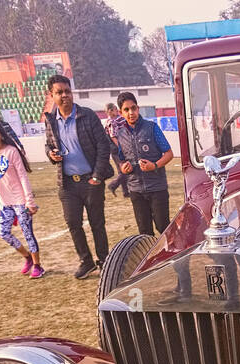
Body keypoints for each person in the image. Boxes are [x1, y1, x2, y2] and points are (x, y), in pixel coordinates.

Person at [43, 73, 113, 279]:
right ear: (51, 95)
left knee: (97, 223)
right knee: (73, 223)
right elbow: (48, 144)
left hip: (90, 180)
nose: (65, 95)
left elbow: (103, 145)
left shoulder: (87, 115)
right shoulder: (51, 120)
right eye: (59, 92)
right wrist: (50, 154)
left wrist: (97, 176)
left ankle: (104, 260)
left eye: (67, 91)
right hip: (67, 184)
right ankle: (86, 261)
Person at [0, 117, 43, 278]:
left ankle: (37, 265)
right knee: (4, 233)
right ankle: (27, 257)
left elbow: (23, 176)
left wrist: (29, 201)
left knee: (28, 233)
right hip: (5, 202)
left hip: (20, 201)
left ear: (0, 132)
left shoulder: (12, 151)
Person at [113, 92, 173, 238]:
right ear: (121, 112)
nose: (131, 113)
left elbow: (169, 153)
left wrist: (155, 165)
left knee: (163, 227)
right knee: (144, 232)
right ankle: (152, 260)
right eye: (126, 110)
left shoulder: (152, 128)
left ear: (138, 108)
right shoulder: (120, 134)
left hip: (157, 188)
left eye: (133, 108)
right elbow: (122, 159)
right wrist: (123, 168)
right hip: (135, 190)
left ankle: (173, 258)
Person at [103, 102, 129, 197]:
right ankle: (113, 185)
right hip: (116, 148)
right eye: (115, 109)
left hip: (116, 147)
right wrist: (120, 147)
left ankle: (125, 192)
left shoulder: (117, 119)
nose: (117, 110)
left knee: (121, 170)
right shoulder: (112, 122)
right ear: (110, 111)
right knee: (124, 169)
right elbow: (113, 136)